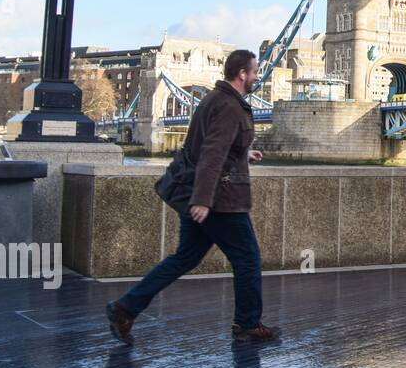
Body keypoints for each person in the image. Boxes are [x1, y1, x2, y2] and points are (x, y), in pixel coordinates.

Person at [106, 49, 278, 344]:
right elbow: (211, 154)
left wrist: (242, 152)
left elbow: (208, 144)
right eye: (254, 72)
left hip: (203, 194)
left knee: (184, 258)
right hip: (221, 201)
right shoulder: (230, 107)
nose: (256, 76)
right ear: (241, 74)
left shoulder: (212, 99)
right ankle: (247, 325)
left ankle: (125, 308)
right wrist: (202, 200)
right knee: (248, 259)